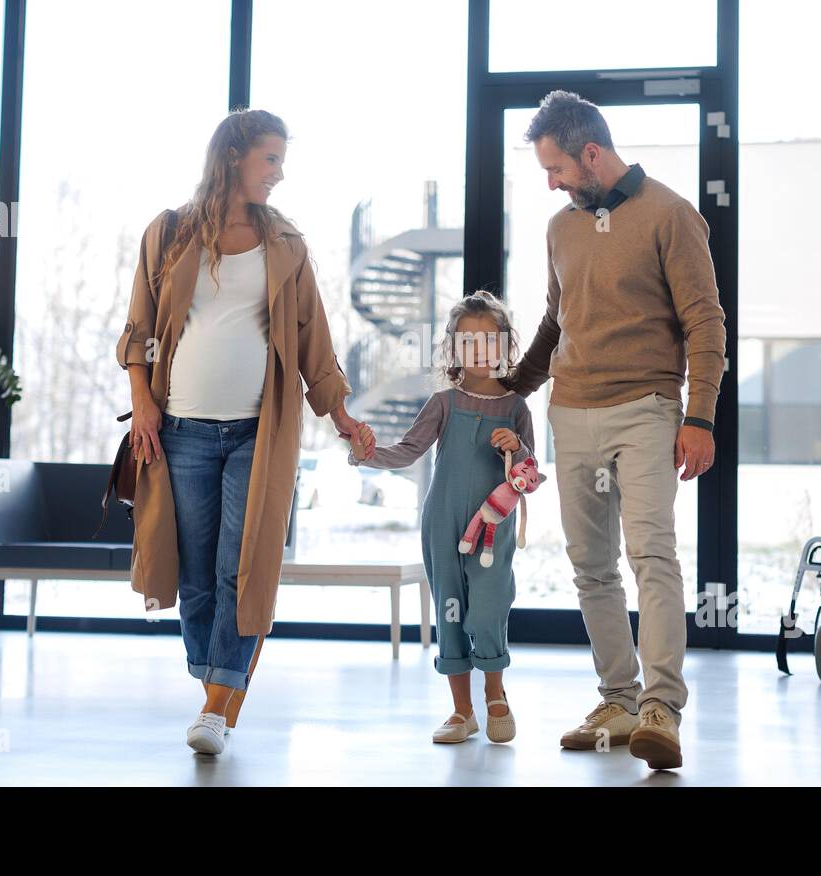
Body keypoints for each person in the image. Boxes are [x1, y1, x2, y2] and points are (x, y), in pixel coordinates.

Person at [115, 107, 374, 755]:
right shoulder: (169, 232)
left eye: (282, 162)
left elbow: (316, 343)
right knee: (196, 571)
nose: (280, 175)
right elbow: (139, 330)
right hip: (180, 432)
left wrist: (342, 417)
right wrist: (141, 402)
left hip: (261, 434)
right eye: (271, 160)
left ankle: (215, 706)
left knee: (244, 567)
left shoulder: (286, 245)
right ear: (233, 156)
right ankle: (218, 688)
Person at [505, 90, 727, 770]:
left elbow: (706, 322)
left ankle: (662, 706)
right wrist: (513, 385)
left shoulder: (670, 215)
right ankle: (619, 701)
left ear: (592, 153)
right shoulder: (560, 229)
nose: (551, 183)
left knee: (651, 556)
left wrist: (700, 417)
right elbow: (556, 320)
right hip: (571, 411)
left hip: (648, 406)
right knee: (590, 569)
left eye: (558, 169)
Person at [349, 291, 537, 745]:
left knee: (490, 605)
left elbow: (530, 475)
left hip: (495, 527)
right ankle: (462, 710)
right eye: (467, 341)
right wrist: (367, 454)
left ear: (506, 345)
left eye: (488, 340)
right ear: (453, 348)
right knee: (449, 611)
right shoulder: (443, 402)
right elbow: (408, 450)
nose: (478, 350)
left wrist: (517, 447)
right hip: (443, 524)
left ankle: (495, 693)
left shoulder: (517, 408)